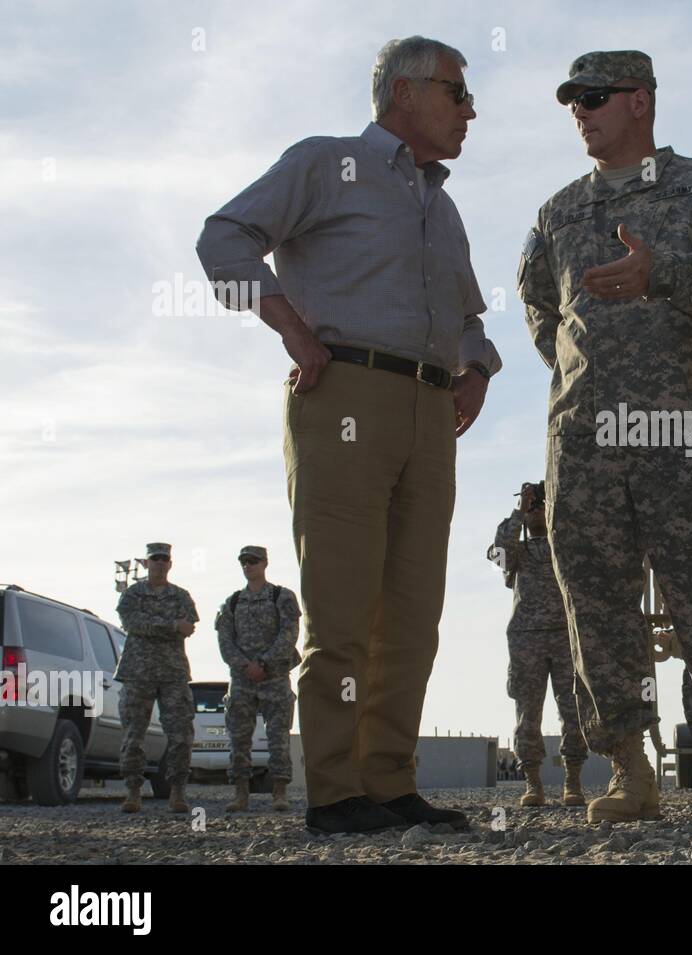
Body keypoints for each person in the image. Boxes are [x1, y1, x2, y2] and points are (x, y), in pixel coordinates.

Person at [197, 35, 499, 834]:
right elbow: (223, 239)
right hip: (343, 395)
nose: (470, 110)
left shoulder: (443, 206)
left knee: (413, 613)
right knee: (341, 610)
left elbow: (470, 316)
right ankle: (333, 791)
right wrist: (292, 329)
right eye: (457, 92)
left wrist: (476, 368)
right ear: (405, 92)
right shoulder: (326, 164)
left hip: (430, 413)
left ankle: (389, 782)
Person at [518, 50, 692, 823]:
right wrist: (585, 374)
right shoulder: (557, 212)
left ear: (640, 100)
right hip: (587, 438)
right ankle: (627, 769)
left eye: (594, 96)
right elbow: (543, 310)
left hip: (687, 429)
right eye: (573, 100)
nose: (580, 111)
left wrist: (660, 274)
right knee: (596, 601)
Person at [489, 481, 588, 807]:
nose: (535, 511)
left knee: (573, 710)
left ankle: (573, 780)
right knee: (527, 714)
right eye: (532, 505)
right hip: (526, 638)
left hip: (564, 636)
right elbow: (499, 553)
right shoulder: (517, 550)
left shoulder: (565, 544)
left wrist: (558, 506)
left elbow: (585, 541)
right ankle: (533, 782)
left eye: (540, 504)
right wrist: (519, 511)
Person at [215, 546, 302, 812]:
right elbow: (225, 640)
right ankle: (241, 794)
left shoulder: (281, 596)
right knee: (239, 738)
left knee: (278, 736)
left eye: (253, 561)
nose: (248, 565)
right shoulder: (232, 602)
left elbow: (289, 634)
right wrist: (245, 665)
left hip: (274, 677)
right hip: (242, 680)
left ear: (265, 563)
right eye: (243, 561)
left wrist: (264, 663)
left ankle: (280, 792)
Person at [115, 543, 198, 814]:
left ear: (170, 564)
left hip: (173, 674)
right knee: (133, 736)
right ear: (146, 563)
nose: (160, 563)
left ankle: (178, 792)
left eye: (164, 559)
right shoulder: (132, 594)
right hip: (137, 673)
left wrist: (157, 625)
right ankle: (133, 791)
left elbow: (188, 627)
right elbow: (132, 623)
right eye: (155, 559)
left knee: (181, 735)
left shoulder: (181, 595)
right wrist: (171, 625)